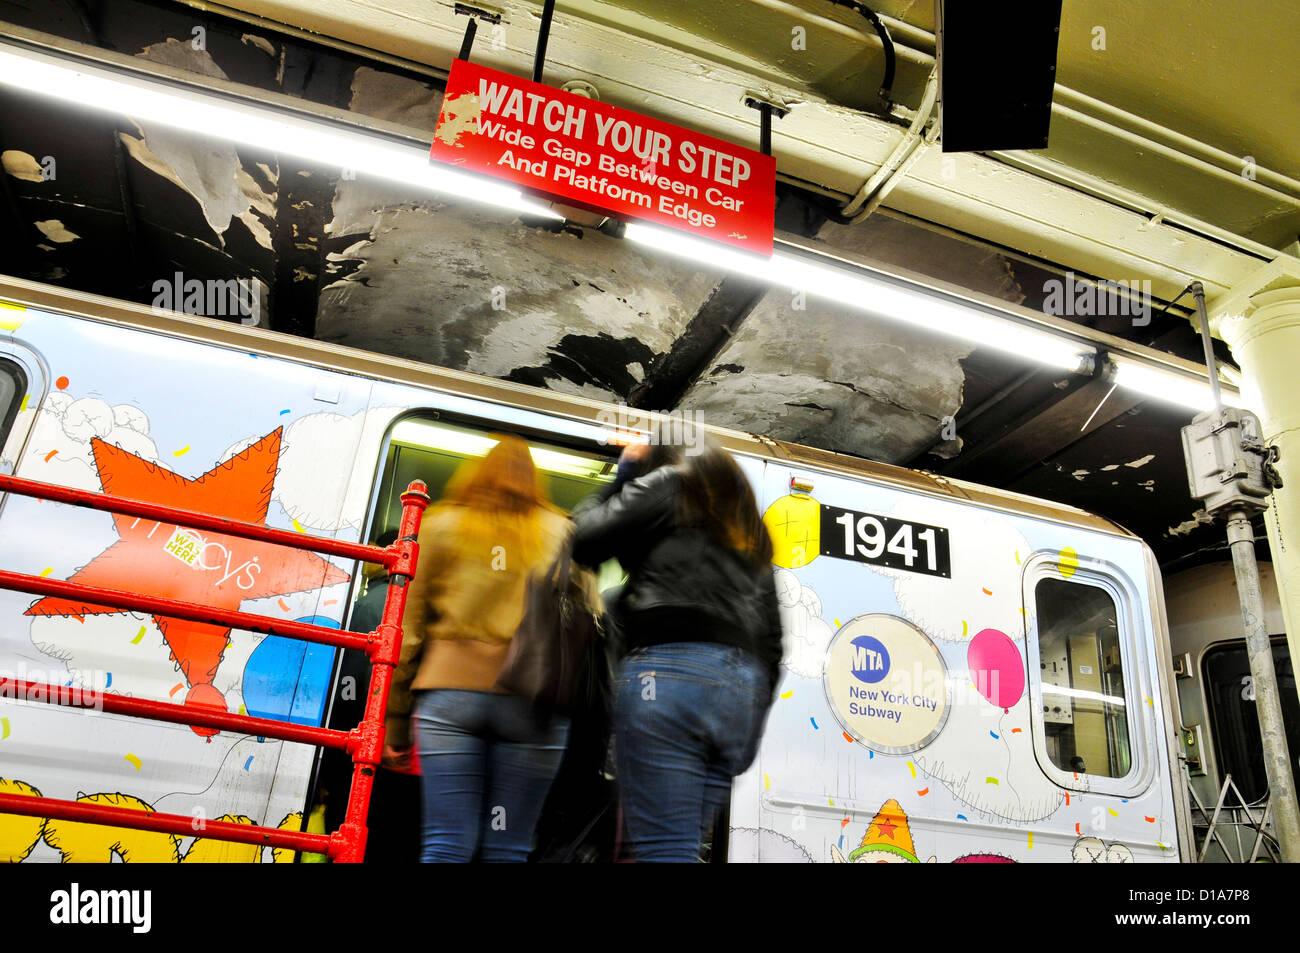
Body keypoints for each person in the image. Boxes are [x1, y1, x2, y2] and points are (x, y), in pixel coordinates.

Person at [571, 436, 783, 862]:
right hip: (740, 690)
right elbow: (773, 641)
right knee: (681, 848)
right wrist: (751, 726)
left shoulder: (671, 483)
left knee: (664, 850)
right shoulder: (747, 526)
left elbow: (581, 539)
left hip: (667, 674)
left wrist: (622, 477)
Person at [383, 436, 578, 862]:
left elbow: (408, 628)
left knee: (446, 841)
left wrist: (395, 721)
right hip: (532, 703)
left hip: (451, 700)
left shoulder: (440, 524)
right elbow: (586, 620)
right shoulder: (562, 532)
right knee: (507, 844)